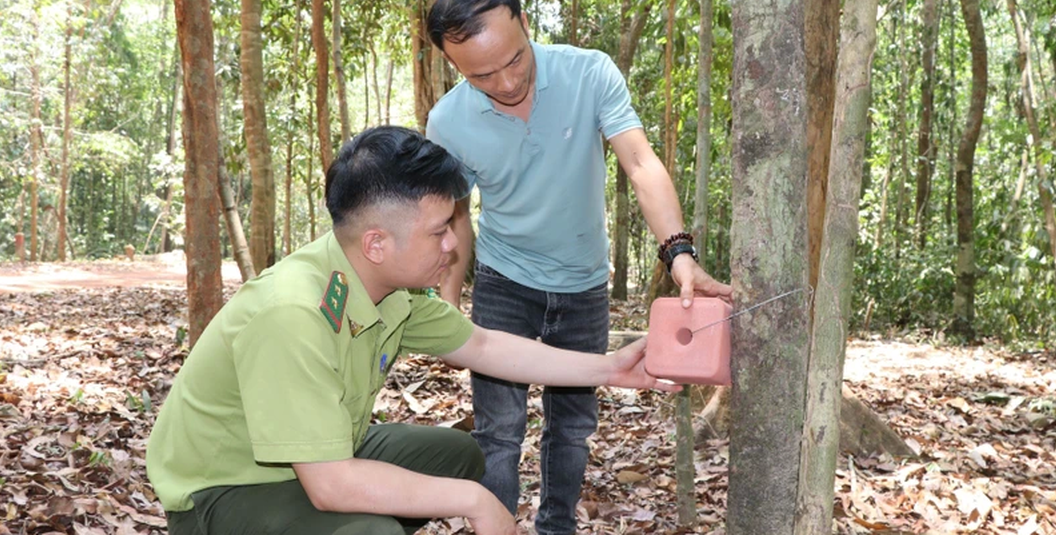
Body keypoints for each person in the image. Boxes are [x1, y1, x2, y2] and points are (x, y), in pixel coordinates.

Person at [145, 126, 678, 535]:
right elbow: (330, 484)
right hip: (222, 493)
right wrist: (475, 502)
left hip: (318, 456)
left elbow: (483, 344)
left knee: (457, 456)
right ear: (377, 243)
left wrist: (610, 368)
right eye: (439, 230)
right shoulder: (294, 312)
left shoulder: (389, 286)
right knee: (371, 530)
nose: (452, 244)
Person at [425, 0, 733, 535]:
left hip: (583, 284)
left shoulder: (588, 73)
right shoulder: (448, 121)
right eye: (481, 75)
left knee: (571, 426)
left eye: (514, 60)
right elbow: (454, 213)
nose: (506, 80)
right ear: (454, 66)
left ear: (524, 23)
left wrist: (679, 256)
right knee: (499, 429)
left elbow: (639, 163)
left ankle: (556, 526)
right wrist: (447, 299)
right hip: (503, 280)